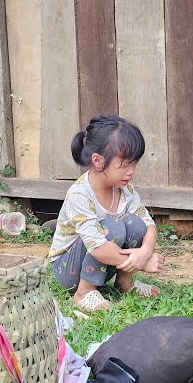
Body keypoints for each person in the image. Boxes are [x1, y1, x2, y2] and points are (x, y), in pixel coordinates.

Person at [48, 115, 163, 312]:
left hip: (103, 259)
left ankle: (124, 282)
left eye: (134, 164)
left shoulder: (125, 190)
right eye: (125, 165)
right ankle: (84, 292)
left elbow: (148, 224)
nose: (131, 172)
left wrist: (144, 253)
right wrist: (142, 264)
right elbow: (97, 248)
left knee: (135, 223)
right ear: (98, 161)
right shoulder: (79, 194)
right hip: (67, 268)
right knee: (113, 226)